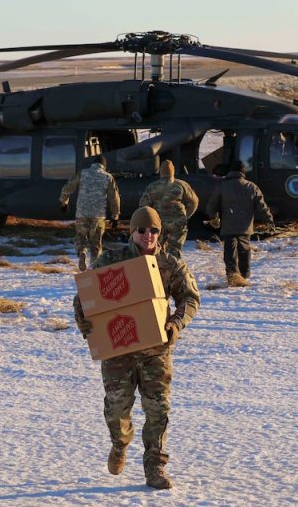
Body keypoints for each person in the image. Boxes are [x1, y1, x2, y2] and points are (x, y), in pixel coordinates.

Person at [73, 206, 201, 490]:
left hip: (156, 349)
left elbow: (191, 299)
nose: (148, 235)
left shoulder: (170, 264)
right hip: (118, 349)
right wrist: (85, 321)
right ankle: (120, 443)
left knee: (158, 409)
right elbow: (85, 296)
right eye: (142, 230)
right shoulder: (112, 260)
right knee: (117, 409)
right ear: (133, 232)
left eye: (154, 230)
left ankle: (155, 467)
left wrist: (176, 324)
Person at [205, 161, 273, 287]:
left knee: (229, 251)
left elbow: (211, 206)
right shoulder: (251, 187)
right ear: (243, 172)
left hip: (228, 225)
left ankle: (232, 276)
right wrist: (269, 220)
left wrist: (214, 218)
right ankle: (243, 276)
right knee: (244, 249)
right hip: (245, 226)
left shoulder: (223, 186)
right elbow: (261, 206)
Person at [59, 155, 120, 271]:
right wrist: (115, 216)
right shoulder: (108, 177)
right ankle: (94, 268)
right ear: (104, 166)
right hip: (98, 216)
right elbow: (114, 198)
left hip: (82, 214)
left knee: (81, 237)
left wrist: (64, 203)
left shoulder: (82, 173)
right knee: (96, 244)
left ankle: (82, 252)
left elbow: (68, 187)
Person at [138, 160, 199, 258]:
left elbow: (144, 206)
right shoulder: (182, 185)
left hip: (158, 224)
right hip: (177, 223)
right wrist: (185, 215)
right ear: (173, 171)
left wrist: (150, 221)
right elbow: (194, 202)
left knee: (156, 249)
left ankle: (157, 270)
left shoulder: (152, 186)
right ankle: (173, 269)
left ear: (161, 172)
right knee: (175, 250)